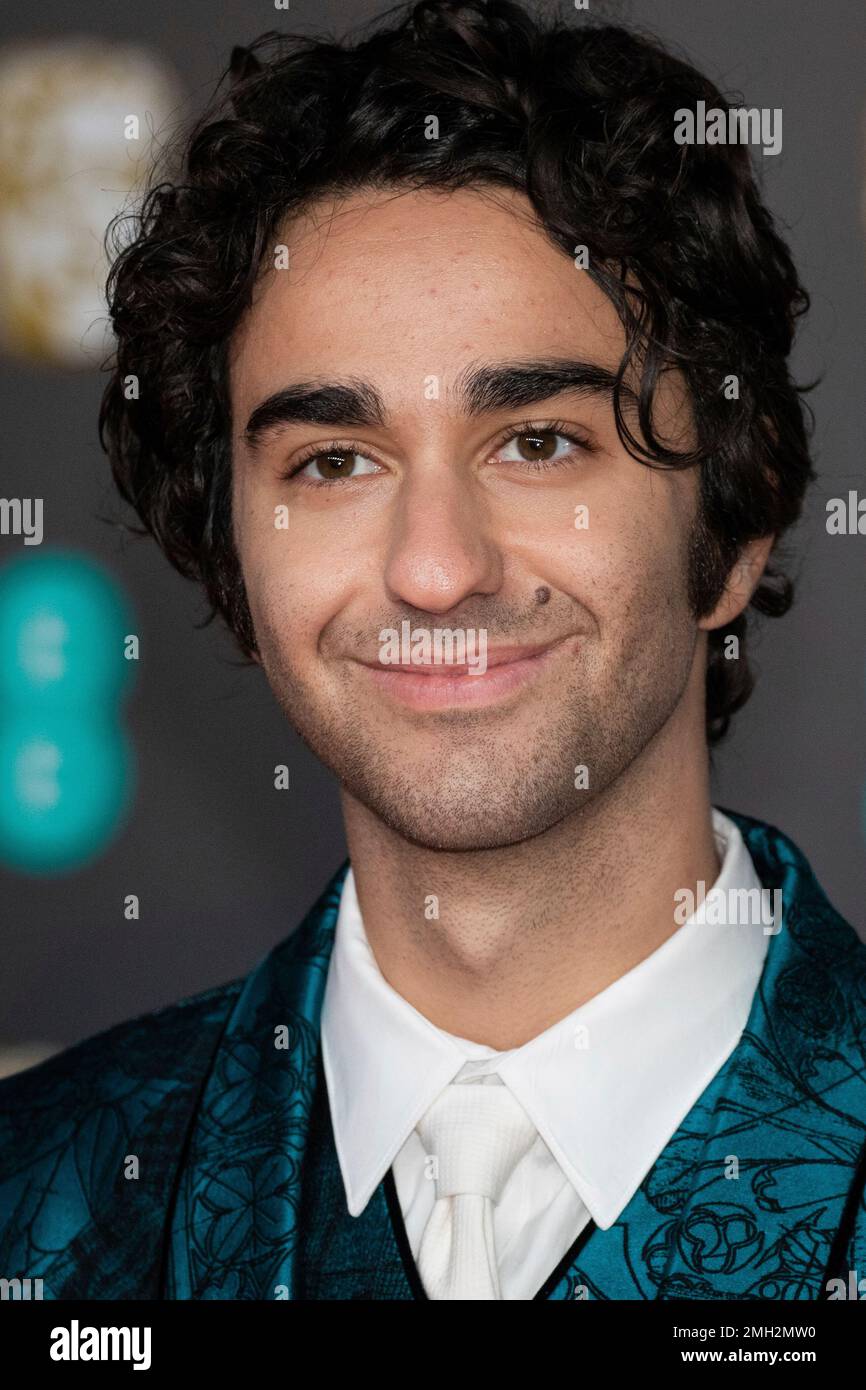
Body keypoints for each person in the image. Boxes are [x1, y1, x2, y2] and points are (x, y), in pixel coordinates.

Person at [1, 0, 863, 1302]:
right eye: (335, 461)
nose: (434, 565)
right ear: (232, 558)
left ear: (732, 526)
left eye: (537, 443)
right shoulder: (34, 1203)